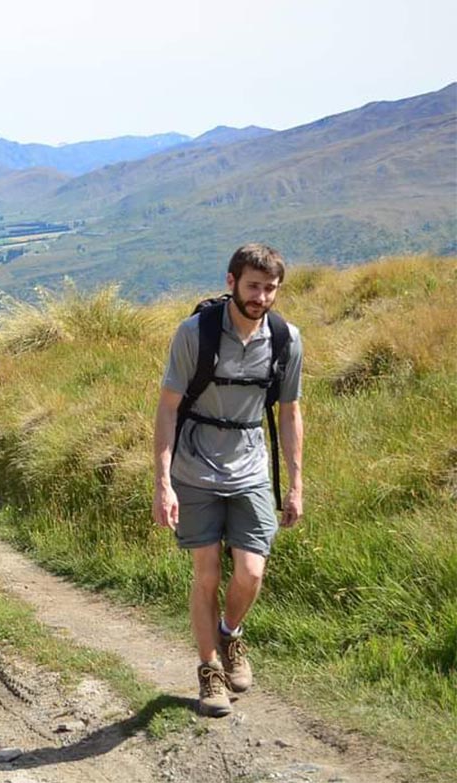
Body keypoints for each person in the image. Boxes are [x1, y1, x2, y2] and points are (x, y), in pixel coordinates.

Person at [152, 243, 304, 717]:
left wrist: (296, 484)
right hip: (194, 469)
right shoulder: (195, 333)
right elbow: (167, 409)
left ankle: (230, 633)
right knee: (207, 574)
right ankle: (209, 673)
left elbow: (289, 412)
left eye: (270, 288)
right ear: (231, 282)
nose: (261, 297)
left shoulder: (285, 339)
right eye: (253, 286)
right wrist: (163, 482)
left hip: (251, 468)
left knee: (252, 571)